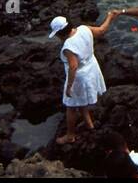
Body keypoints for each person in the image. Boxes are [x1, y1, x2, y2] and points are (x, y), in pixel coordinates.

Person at [49, 11, 119, 143]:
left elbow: (73, 67)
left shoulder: (68, 46)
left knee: (70, 106)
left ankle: (70, 136)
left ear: (59, 33)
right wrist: (110, 16)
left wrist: (69, 86)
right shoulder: (84, 29)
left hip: (79, 77)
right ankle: (89, 124)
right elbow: (102, 30)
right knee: (81, 100)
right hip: (92, 68)